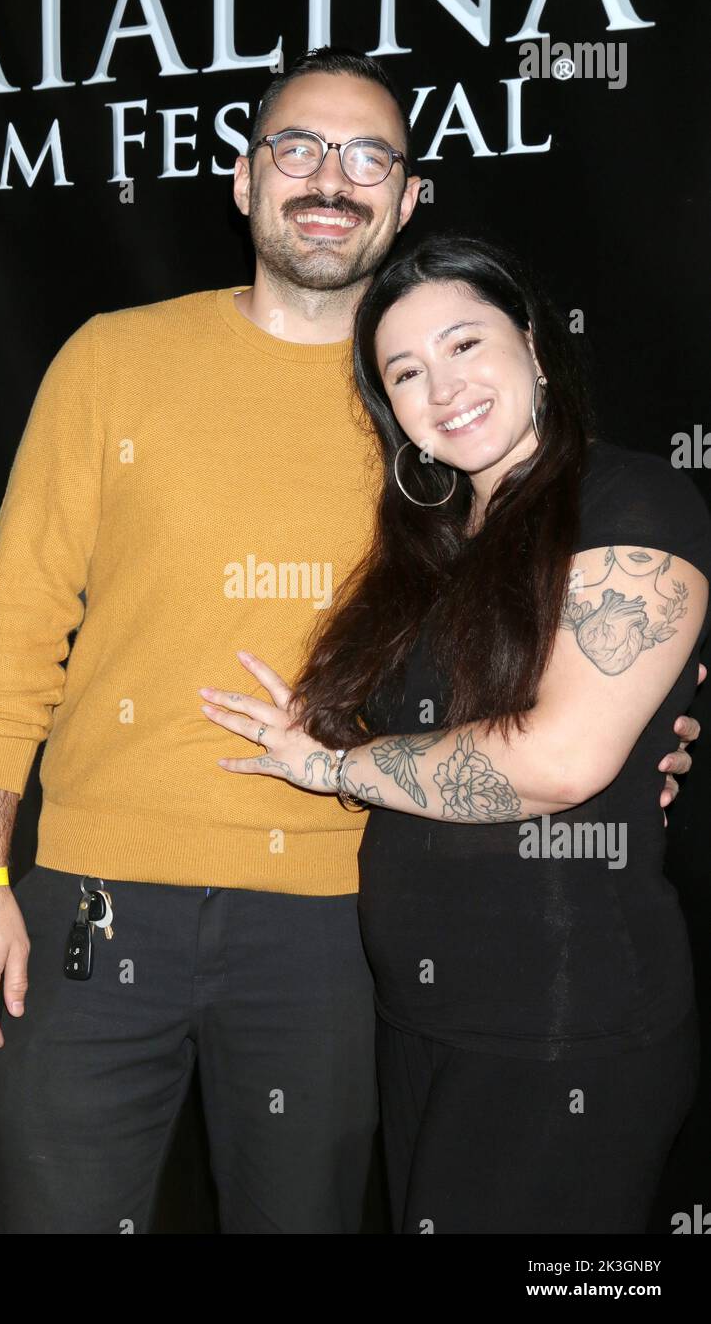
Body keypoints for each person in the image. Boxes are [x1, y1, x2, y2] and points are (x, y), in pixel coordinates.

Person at [0, 47, 699, 1235]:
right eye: (296, 148)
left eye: (366, 158)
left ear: (405, 200)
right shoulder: (111, 359)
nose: (327, 178)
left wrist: (638, 735)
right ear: (241, 181)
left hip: (335, 925)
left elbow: (546, 672)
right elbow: (14, 626)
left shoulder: (441, 428)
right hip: (90, 903)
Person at [199, 232, 711, 1234]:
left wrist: (337, 767)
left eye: (464, 344)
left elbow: (558, 761)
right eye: (405, 372)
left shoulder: (629, 498)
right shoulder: (420, 553)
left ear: (529, 341)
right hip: (421, 1019)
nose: (441, 386)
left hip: (563, 1029)